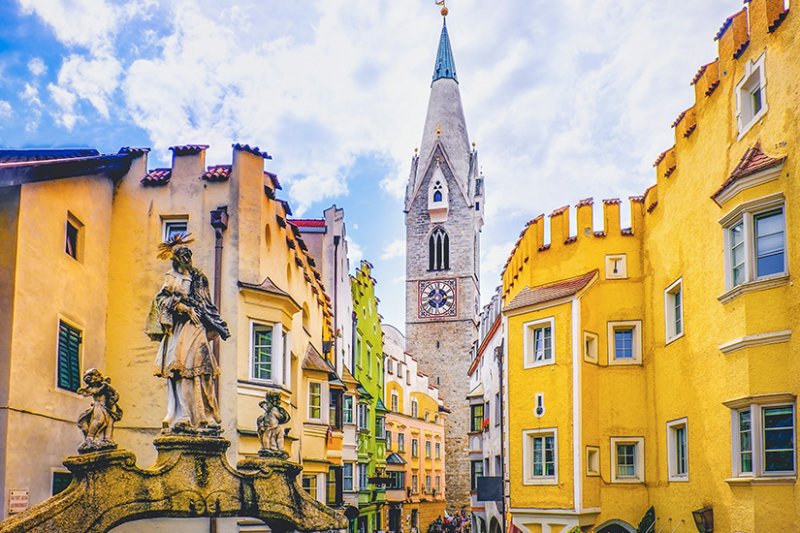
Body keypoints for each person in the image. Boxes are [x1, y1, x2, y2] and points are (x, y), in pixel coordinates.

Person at [147, 235, 230, 432]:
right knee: (181, 371)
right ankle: (183, 414)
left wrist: (215, 323)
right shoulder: (171, 278)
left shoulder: (199, 278)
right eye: (182, 256)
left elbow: (206, 303)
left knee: (203, 368)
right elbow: (161, 302)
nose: (185, 259)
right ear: (175, 258)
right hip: (178, 330)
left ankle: (207, 413)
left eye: (188, 255)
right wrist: (184, 308)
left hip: (197, 327)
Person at [77, 368, 122, 452]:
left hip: (106, 407)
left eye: (96, 376)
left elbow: (115, 392)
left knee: (109, 423)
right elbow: (97, 391)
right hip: (98, 407)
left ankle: (107, 439)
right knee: (99, 421)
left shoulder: (104, 385)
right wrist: (105, 384)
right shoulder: (92, 388)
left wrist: (114, 399)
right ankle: (90, 437)